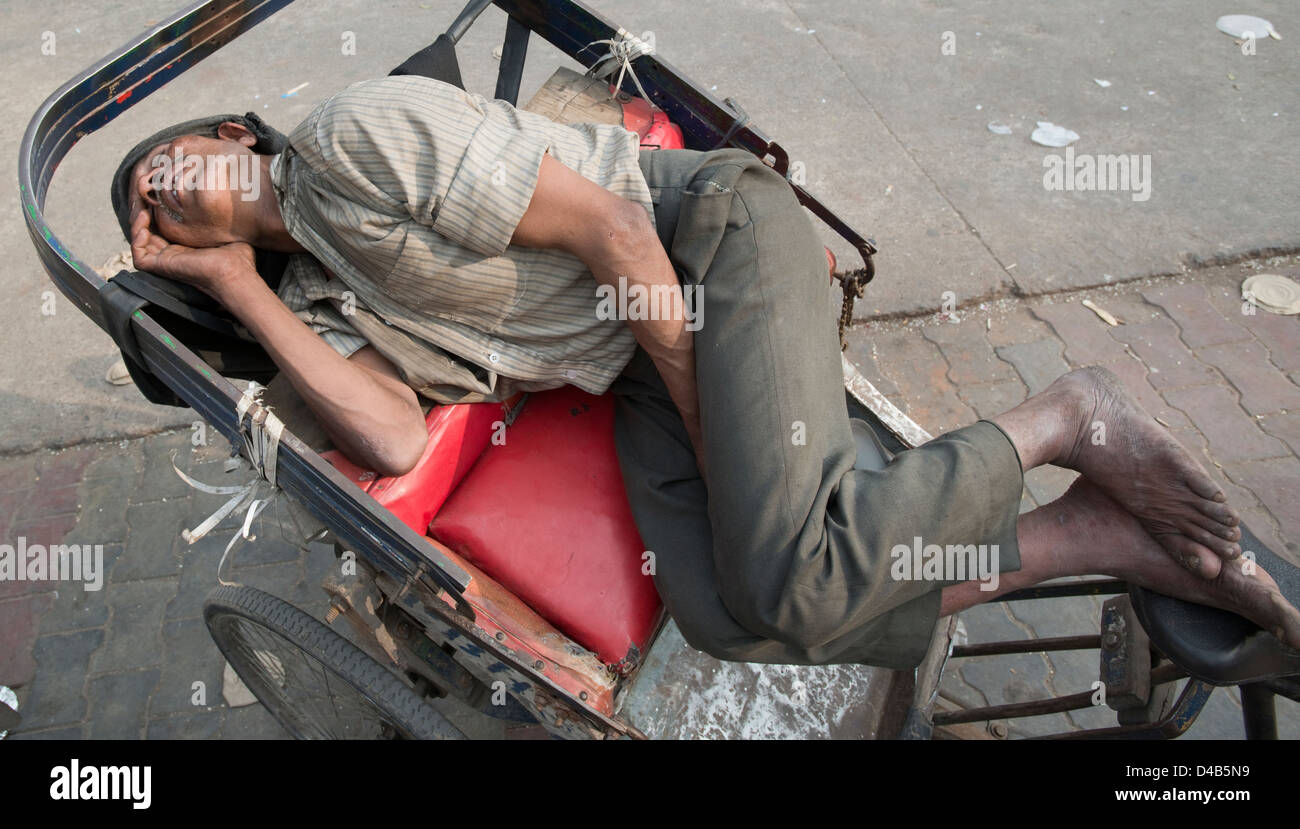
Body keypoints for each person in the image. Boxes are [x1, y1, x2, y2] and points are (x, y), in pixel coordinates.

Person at [110, 75, 1300, 669]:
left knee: (789, 569)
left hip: (708, 243)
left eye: (164, 156)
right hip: (632, 355)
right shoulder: (313, 293)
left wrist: (714, 426)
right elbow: (393, 443)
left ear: (231, 138)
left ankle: (1065, 417)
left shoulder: (349, 133)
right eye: (148, 210)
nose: (156, 182)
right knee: (731, 614)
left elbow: (615, 235)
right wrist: (240, 291)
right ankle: (1101, 537)